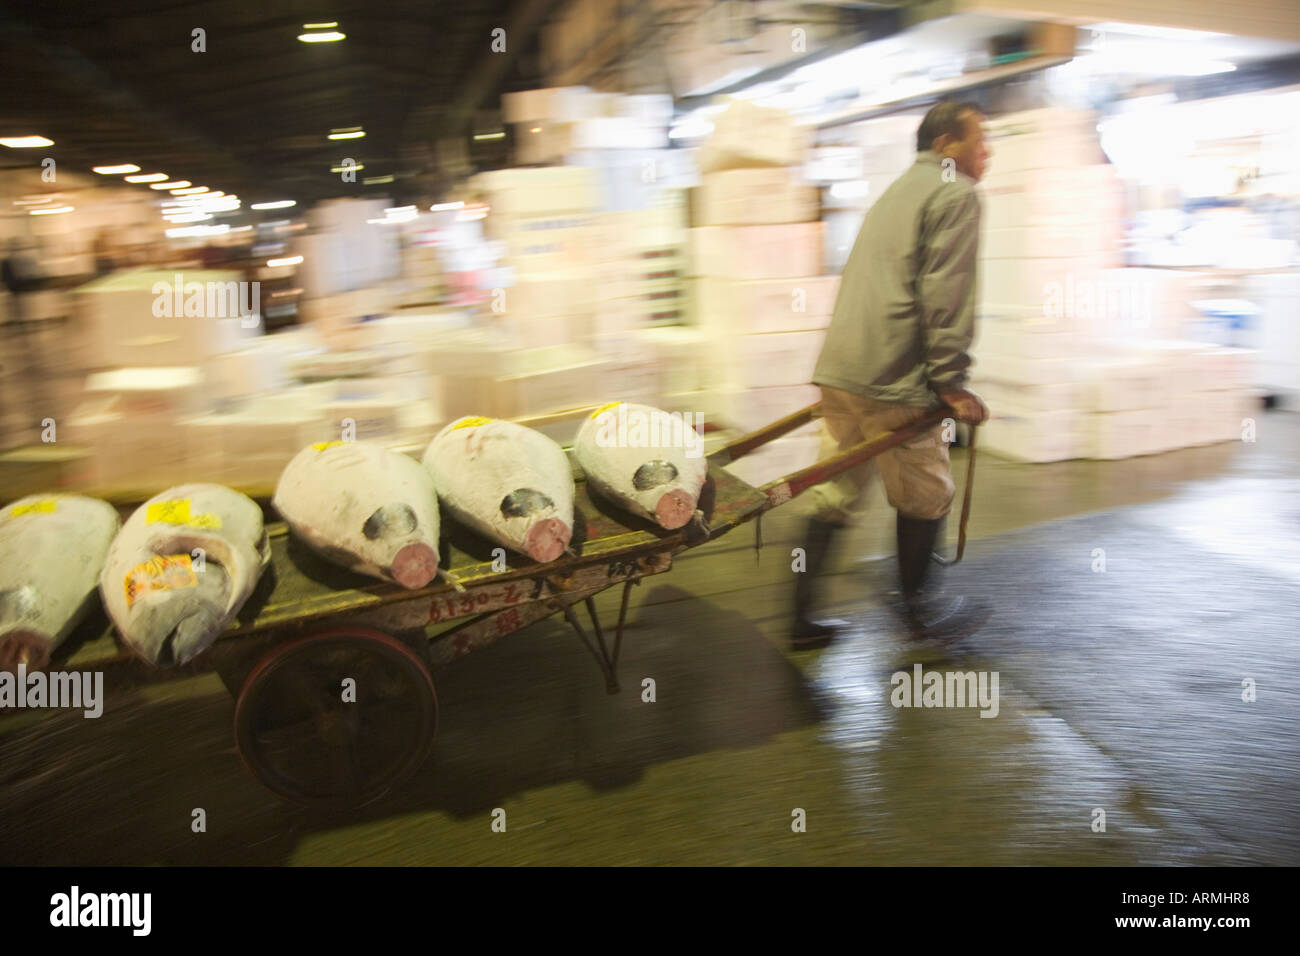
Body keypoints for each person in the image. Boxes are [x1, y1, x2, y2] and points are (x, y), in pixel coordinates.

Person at [792, 100, 992, 649]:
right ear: (945, 145)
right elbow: (946, 294)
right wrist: (950, 382)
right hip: (894, 377)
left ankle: (800, 619)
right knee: (925, 494)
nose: (987, 151)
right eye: (979, 139)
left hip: (843, 369)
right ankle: (920, 614)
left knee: (833, 492)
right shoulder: (956, 192)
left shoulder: (898, 190)